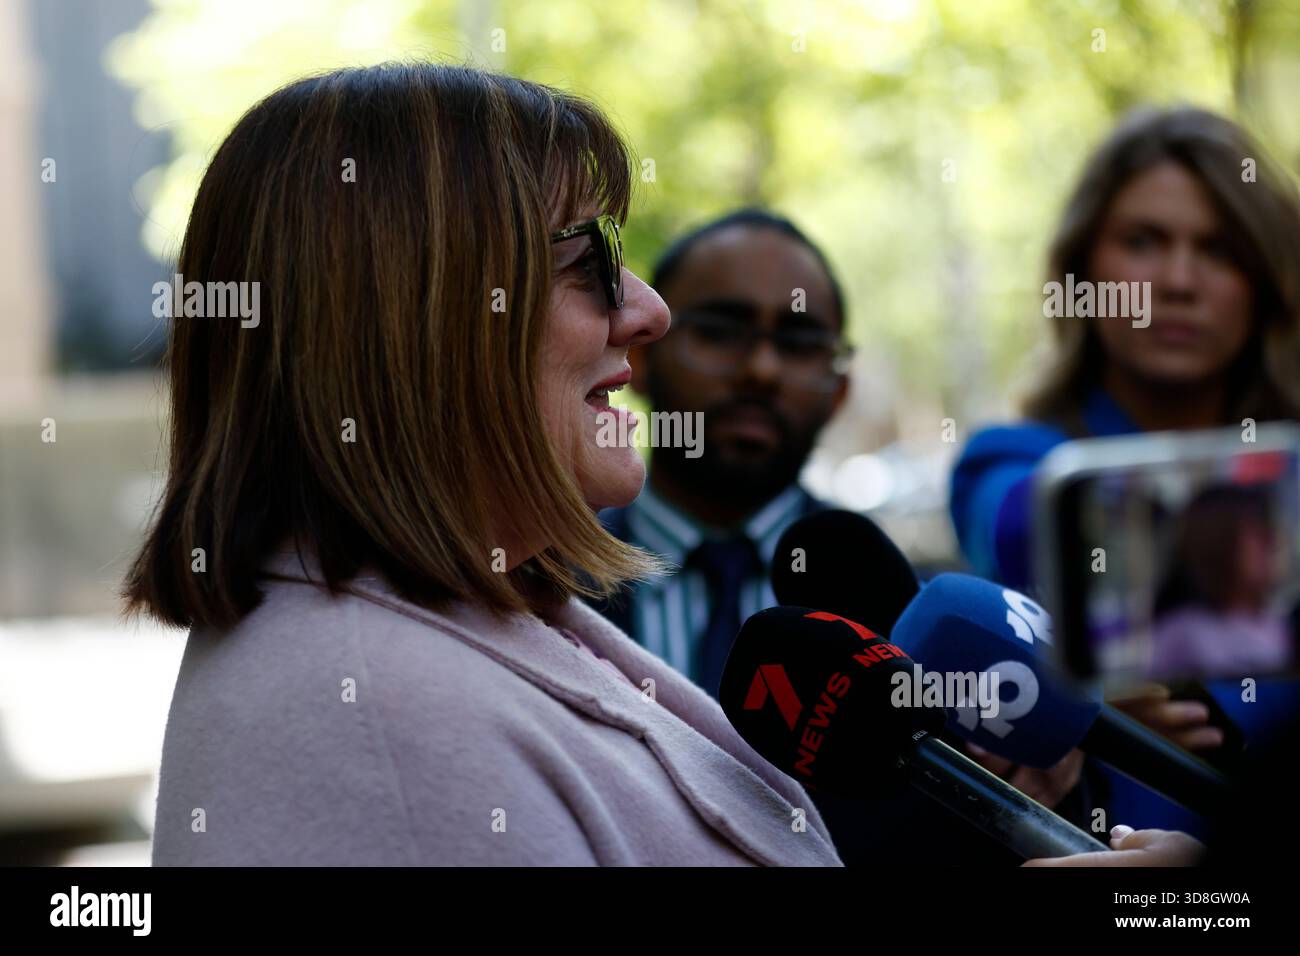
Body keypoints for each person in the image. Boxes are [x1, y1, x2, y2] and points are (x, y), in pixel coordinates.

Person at [124, 64, 843, 867]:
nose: (648, 311)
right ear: (419, 320)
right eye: (590, 261)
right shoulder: (376, 717)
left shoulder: (441, 622)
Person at [588, 209, 1088, 863]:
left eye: (800, 344)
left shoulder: (923, 627)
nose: (762, 369)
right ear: (644, 356)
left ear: (838, 390)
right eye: (719, 331)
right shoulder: (534, 584)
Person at [950, 106, 1300, 836]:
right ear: (1082, 271)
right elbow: (1029, 528)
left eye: (1220, 250)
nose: (1177, 280)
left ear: (1265, 281)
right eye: (1143, 241)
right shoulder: (1012, 460)